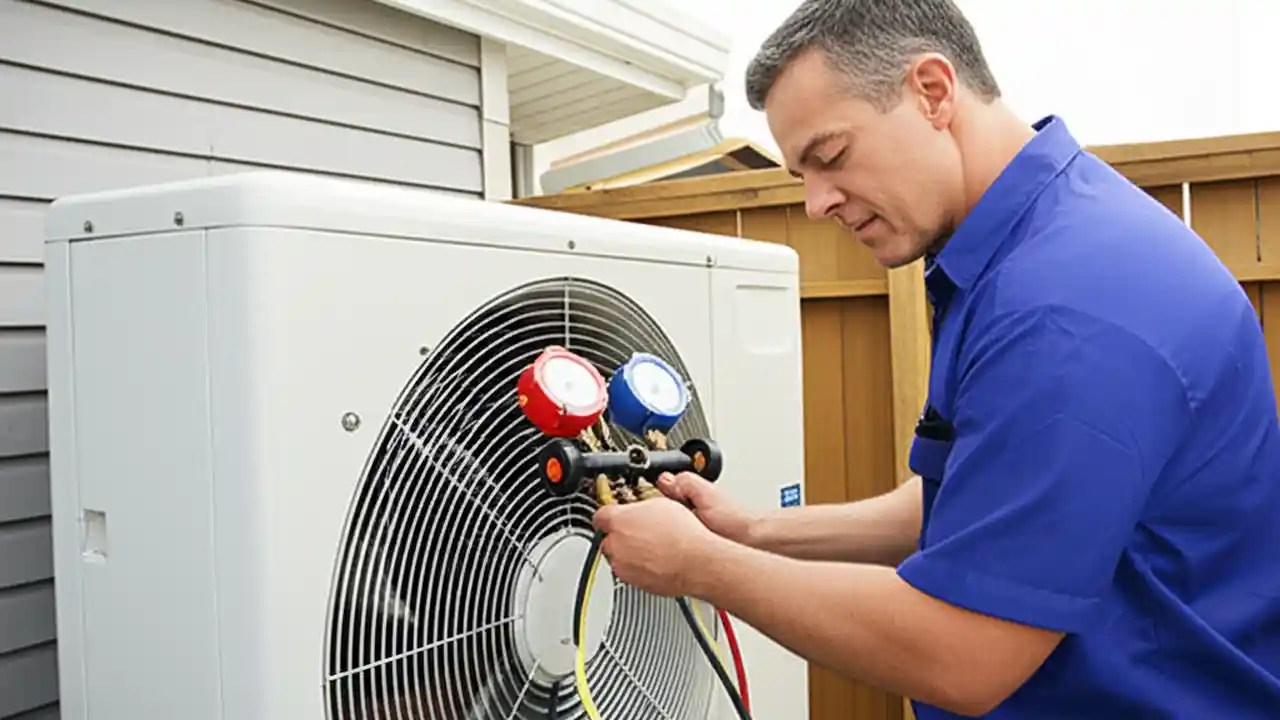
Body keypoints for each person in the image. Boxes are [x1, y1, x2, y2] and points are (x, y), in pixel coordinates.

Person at [592, 0, 1280, 717]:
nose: (816, 204)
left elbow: (966, 654)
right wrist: (757, 531)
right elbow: (977, 497)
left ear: (932, 91)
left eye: (831, 156)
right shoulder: (1031, 248)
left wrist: (701, 565)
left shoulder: (1065, 309)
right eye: (801, 174)